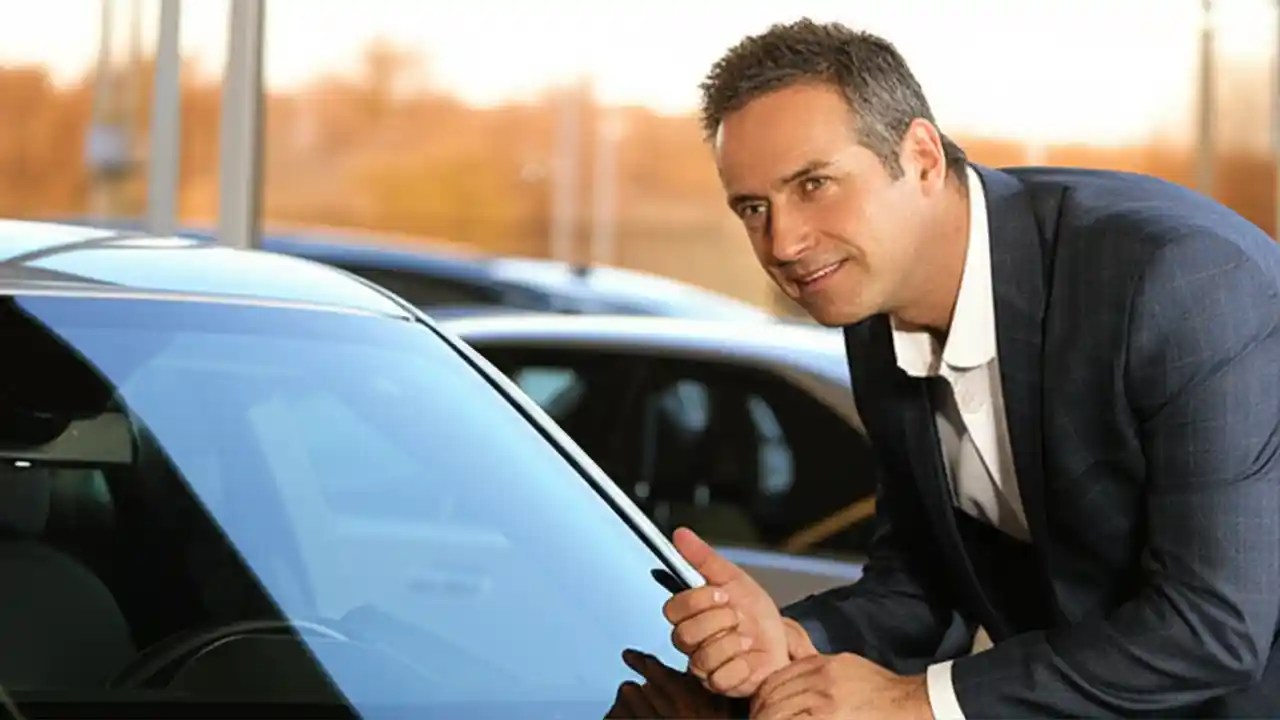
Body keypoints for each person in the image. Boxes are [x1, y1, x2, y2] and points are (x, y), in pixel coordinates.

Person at [613, 16, 1280, 720]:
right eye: (753, 207)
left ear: (923, 158)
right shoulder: (872, 307)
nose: (784, 242)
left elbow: (1214, 628)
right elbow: (924, 585)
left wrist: (918, 702)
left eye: (814, 184)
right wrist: (792, 639)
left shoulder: (1180, 280)